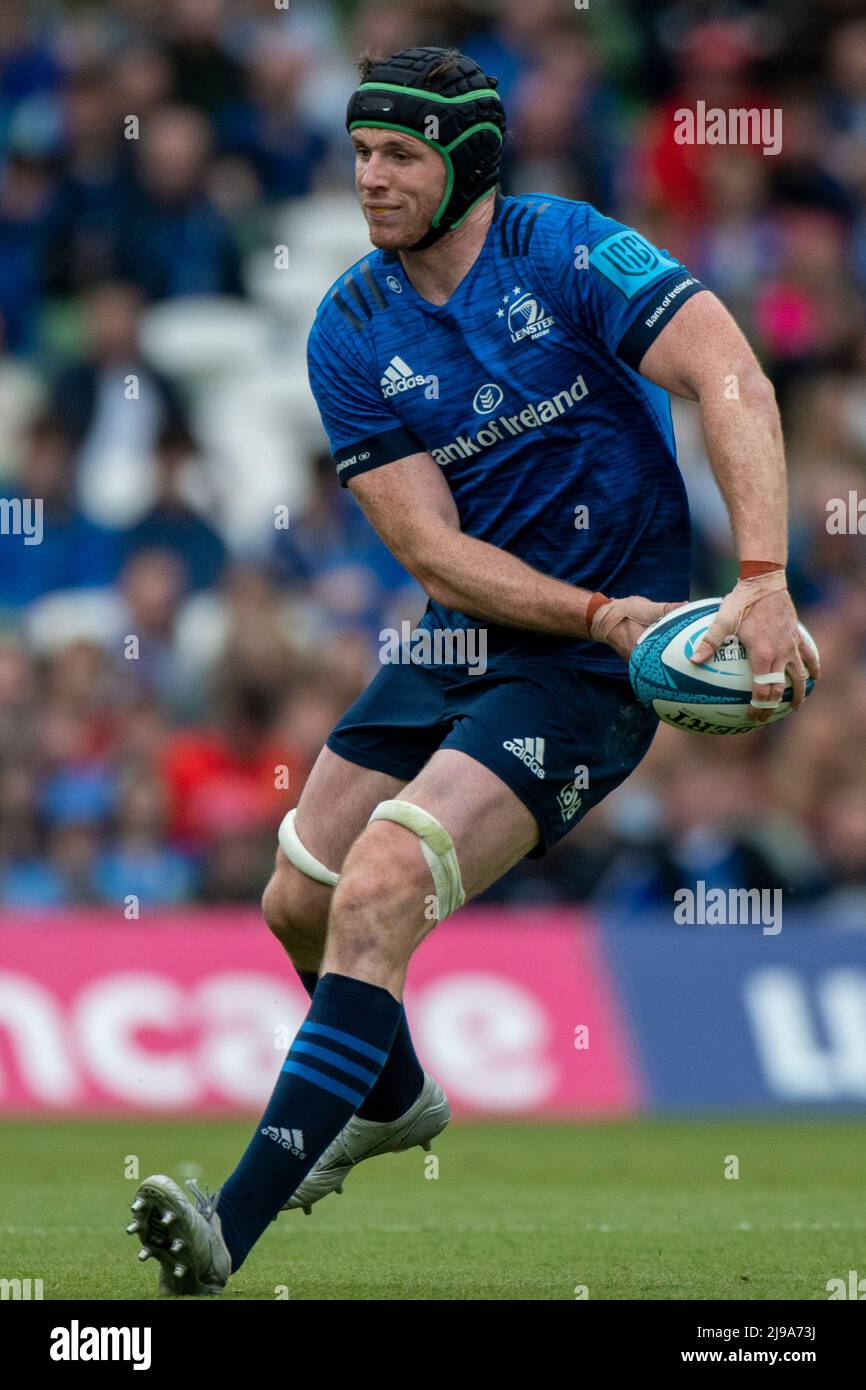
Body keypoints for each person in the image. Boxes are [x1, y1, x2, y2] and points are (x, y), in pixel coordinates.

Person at [128, 45, 819, 1295]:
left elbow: (729, 373)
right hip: (478, 629)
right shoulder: (348, 324)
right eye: (358, 156)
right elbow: (429, 550)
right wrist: (602, 608)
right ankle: (392, 1101)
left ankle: (227, 1227)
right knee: (295, 901)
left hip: (587, 677)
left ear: (471, 161)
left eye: (399, 155)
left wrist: (760, 577)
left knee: (384, 879)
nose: (369, 180)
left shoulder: (566, 252)